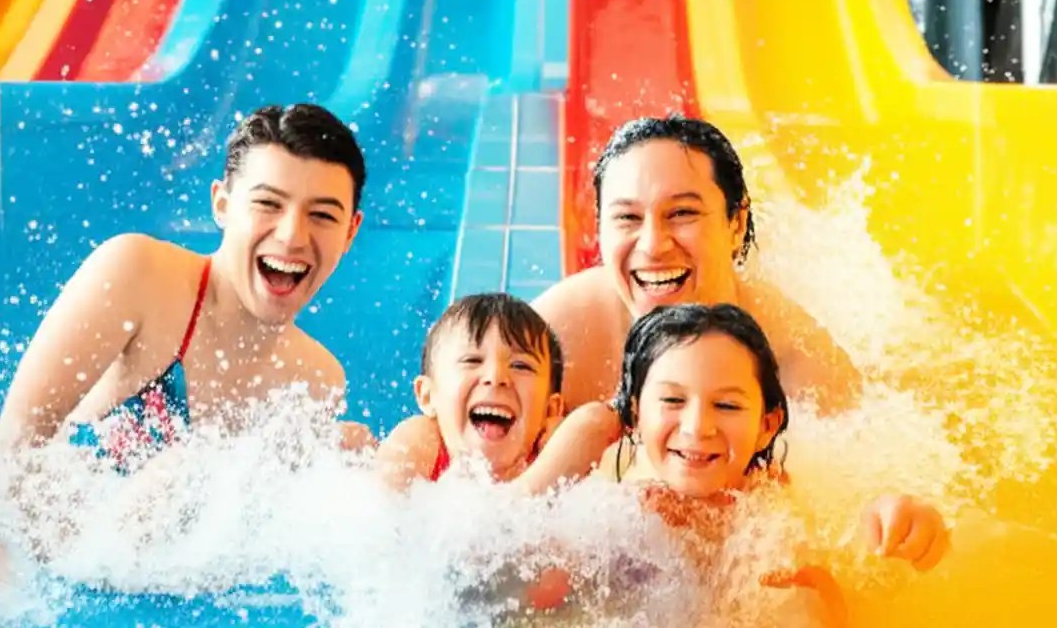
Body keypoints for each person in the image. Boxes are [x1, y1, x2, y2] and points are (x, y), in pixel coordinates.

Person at [0, 103, 374, 626]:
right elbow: (9, 457)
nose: (291, 235)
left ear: (350, 231)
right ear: (222, 205)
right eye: (268, 203)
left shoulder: (317, 379)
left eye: (322, 215)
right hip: (37, 548)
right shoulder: (139, 274)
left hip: (155, 590)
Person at [562, 303, 949, 625]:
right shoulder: (621, 514)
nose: (697, 427)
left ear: (767, 426)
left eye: (727, 405)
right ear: (634, 414)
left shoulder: (771, 505)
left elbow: (852, 542)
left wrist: (900, 522)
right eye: (672, 401)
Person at [533, 115, 863, 418]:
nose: (652, 246)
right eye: (627, 217)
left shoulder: (802, 376)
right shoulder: (555, 342)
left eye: (682, 213)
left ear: (736, 224)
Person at [375, 292, 564, 488]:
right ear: (427, 396)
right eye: (472, 360)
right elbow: (385, 498)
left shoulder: (553, 456)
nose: (495, 377)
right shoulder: (421, 443)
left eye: (520, 366)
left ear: (550, 410)